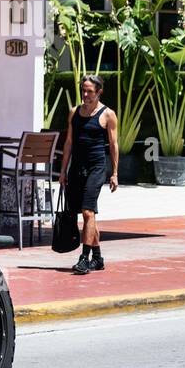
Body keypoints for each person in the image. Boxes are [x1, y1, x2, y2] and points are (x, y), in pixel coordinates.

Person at [57, 75, 119, 274]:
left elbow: (114, 146)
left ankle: (84, 259)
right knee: (87, 215)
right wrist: (63, 171)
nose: (85, 94)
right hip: (77, 168)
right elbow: (68, 143)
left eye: (89, 91)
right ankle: (98, 258)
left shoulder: (108, 114)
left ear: (99, 91)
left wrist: (115, 173)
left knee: (87, 212)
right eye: (83, 90)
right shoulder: (74, 112)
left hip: (96, 167)